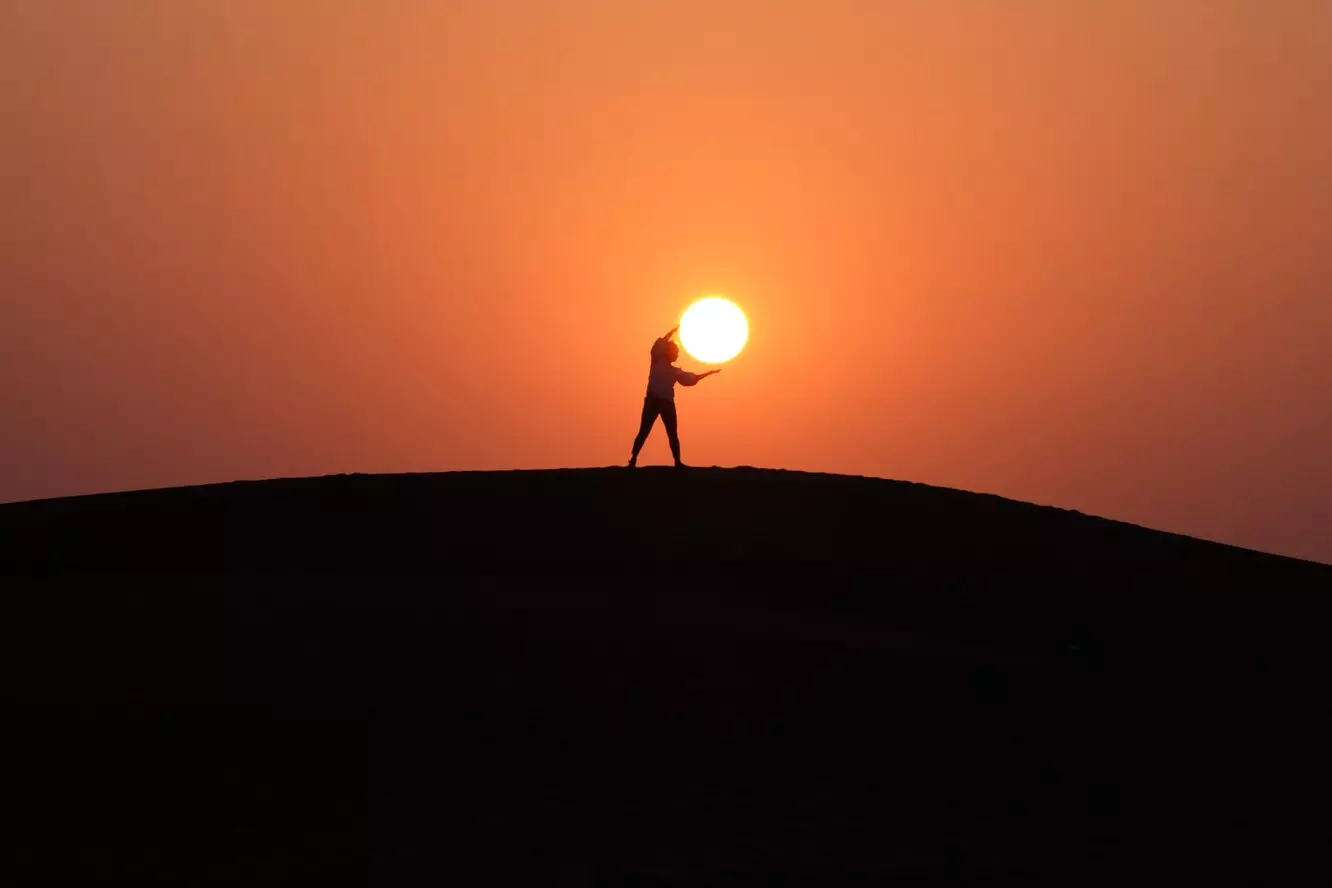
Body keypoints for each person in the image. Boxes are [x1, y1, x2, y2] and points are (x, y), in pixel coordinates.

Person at [628, 325, 720, 468]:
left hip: (667, 403)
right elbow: (658, 345)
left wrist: (708, 373)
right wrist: (671, 332)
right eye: (675, 352)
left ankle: (677, 462)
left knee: (672, 433)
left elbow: (691, 379)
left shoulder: (675, 371)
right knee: (644, 431)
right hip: (653, 401)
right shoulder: (657, 360)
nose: (677, 355)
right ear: (668, 352)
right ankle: (633, 459)